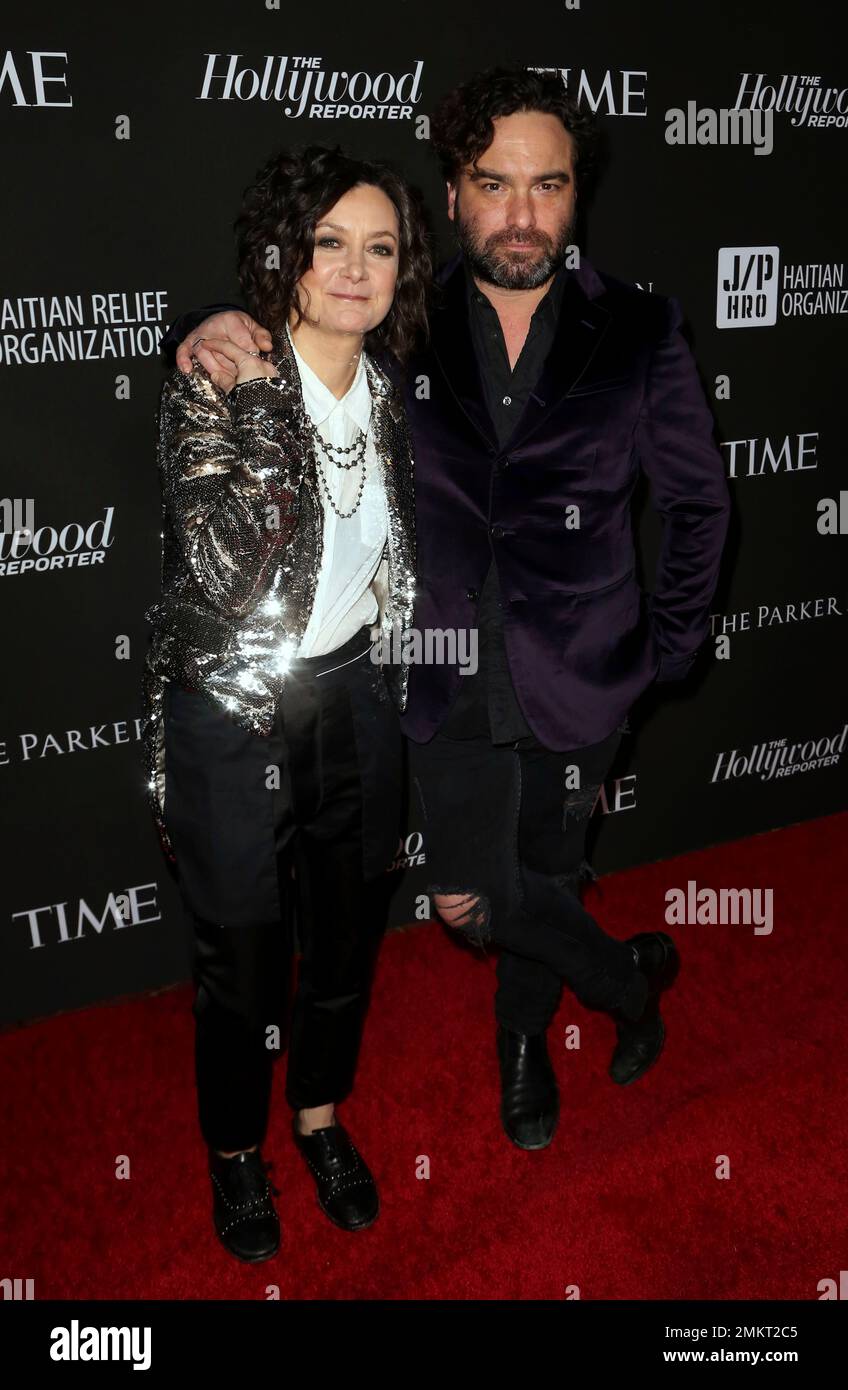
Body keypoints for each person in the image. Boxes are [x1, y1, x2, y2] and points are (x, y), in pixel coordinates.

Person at [161, 67, 731, 1155]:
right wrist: (202, 326)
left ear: (574, 196)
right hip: (439, 657)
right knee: (469, 894)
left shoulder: (641, 328)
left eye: (546, 186)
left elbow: (700, 501)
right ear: (455, 192)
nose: (520, 214)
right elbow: (286, 328)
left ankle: (522, 1042)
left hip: (586, 662)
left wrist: (664, 649)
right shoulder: (401, 319)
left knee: (550, 870)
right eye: (493, 183)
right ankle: (625, 975)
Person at [142, 144, 430, 1261]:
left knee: (348, 939)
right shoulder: (216, 383)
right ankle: (233, 1153)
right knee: (243, 961)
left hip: (354, 697)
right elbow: (234, 573)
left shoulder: (394, 392)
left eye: (380, 248)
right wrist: (262, 393)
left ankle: (316, 1117)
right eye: (328, 244)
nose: (355, 270)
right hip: (231, 711)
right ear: (286, 257)